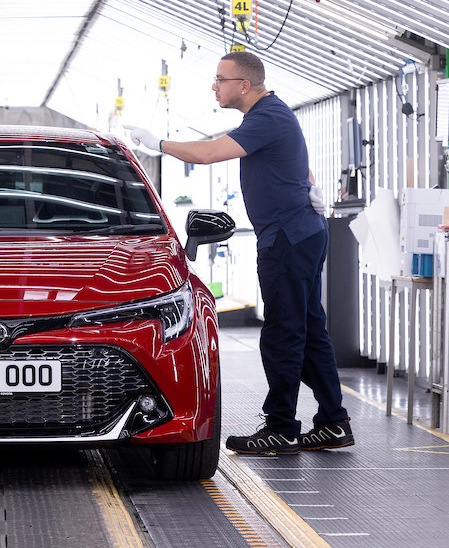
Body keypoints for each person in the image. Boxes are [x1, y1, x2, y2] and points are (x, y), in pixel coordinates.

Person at [127, 51, 353, 456]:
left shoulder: (267, 116)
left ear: (244, 86)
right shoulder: (270, 117)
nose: (214, 86)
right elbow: (298, 163)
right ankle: (333, 422)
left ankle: (282, 428)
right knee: (309, 331)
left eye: (220, 79)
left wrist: (157, 144)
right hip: (301, 233)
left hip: (287, 238)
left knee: (283, 334)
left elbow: (208, 153)